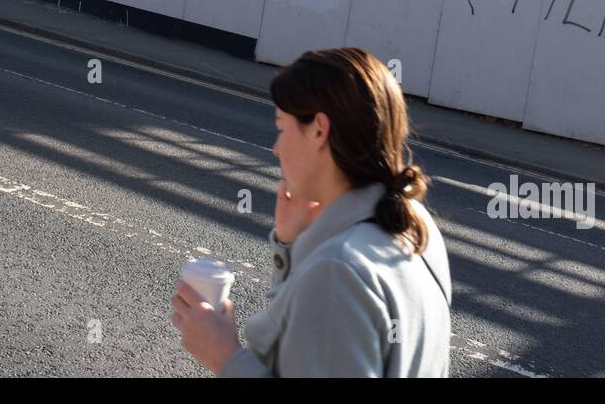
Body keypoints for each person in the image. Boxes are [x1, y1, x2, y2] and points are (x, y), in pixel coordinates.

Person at [171, 47, 451, 377]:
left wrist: (225, 358)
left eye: (282, 127)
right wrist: (291, 250)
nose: (276, 148)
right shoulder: (415, 222)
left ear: (319, 130)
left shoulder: (338, 269)